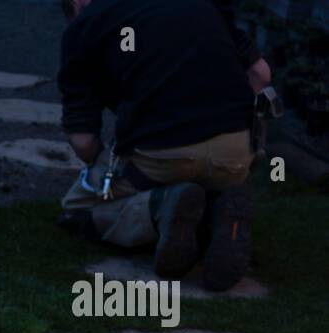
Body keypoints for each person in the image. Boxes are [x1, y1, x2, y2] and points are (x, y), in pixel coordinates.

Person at [56, 0, 272, 291]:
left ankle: (159, 209)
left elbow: (83, 141)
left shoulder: (84, 26)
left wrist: (108, 168)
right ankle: (215, 214)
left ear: (77, 3)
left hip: (157, 154)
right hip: (235, 153)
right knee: (205, 173)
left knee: (77, 209)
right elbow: (261, 74)